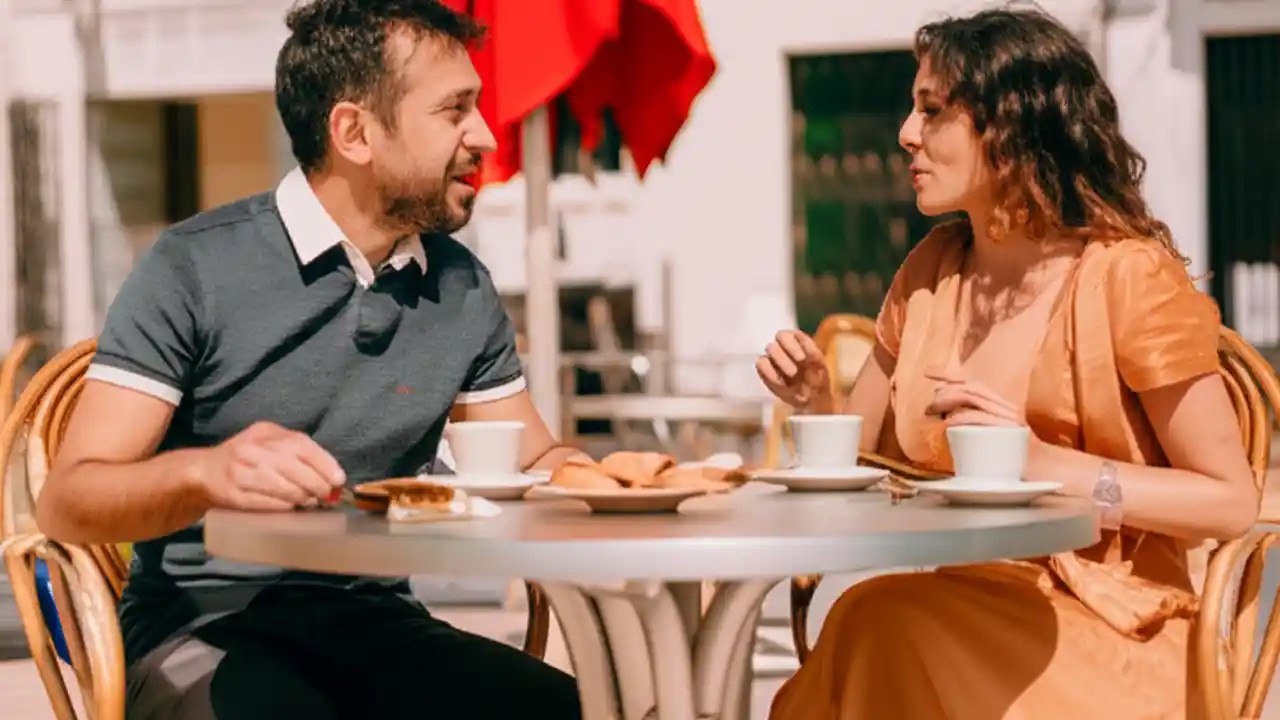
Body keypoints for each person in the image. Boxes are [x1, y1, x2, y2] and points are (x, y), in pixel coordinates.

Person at [35, 2, 583, 718]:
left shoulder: (461, 284)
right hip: (203, 631)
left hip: (379, 626)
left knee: (574, 710)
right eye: (455, 110)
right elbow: (69, 499)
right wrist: (206, 472)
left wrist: (607, 477)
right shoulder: (194, 266)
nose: (483, 134)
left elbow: (533, 460)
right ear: (354, 132)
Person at [757, 8, 1257, 720]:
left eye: (932, 110)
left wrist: (1049, 465)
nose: (905, 133)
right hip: (963, 609)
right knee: (875, 619)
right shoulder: (931, 273)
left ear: (1012, 126)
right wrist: (814, 402)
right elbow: (861, 458)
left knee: (881, 625)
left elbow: (1230, 502)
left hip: (1121, 630)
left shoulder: (1128, 277)